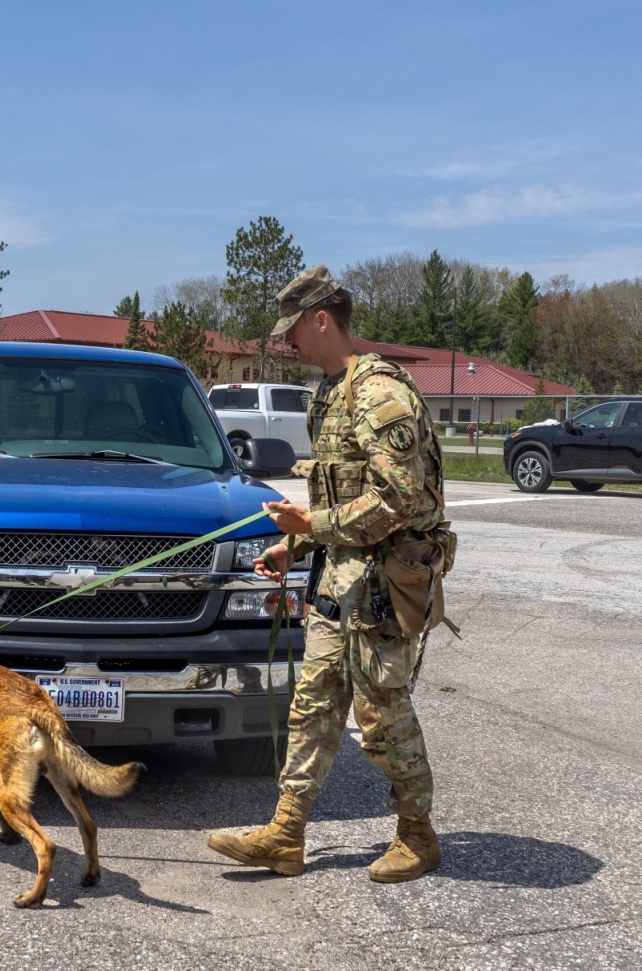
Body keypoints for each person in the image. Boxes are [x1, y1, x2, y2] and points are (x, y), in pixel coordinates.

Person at [207, 265, 447, 883]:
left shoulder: (379, 394)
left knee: (382, 717)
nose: (287, 341)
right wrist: (299, 551)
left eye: (293, 329)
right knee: (310, 708)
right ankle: (286, 836)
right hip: (338, 583)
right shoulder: (329, 392)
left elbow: (403, 501)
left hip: (383, 587)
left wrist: (309, 526)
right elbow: (347, 497)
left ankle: (417, 836)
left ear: (321, 320)